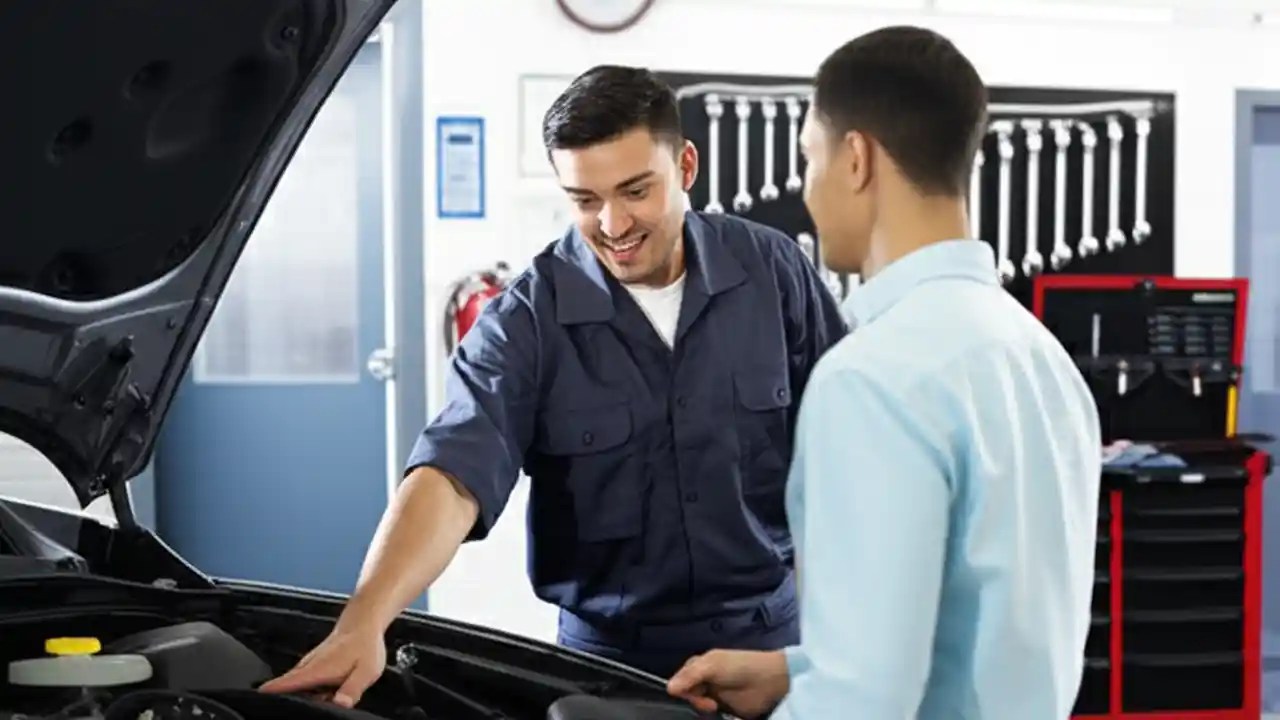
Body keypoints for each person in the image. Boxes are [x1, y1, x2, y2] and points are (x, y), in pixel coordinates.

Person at [258, 65, 848, 707]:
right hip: (611, 668)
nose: (614, 224)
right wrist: (364, 620)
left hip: (769, 645)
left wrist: (840, 637)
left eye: (635, 191)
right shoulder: (525, 320)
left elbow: (845, 446)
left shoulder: (773, 271)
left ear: (684, 166)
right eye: (586, 200)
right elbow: (451, 475)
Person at [666, 26, 1103, 719]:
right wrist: (792, 669)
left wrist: (824, 685)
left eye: (809, 157)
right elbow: (974, 628)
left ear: (856, 158)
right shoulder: (1043, 361)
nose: (806, 188)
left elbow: (861, 702)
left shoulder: (873, 381)